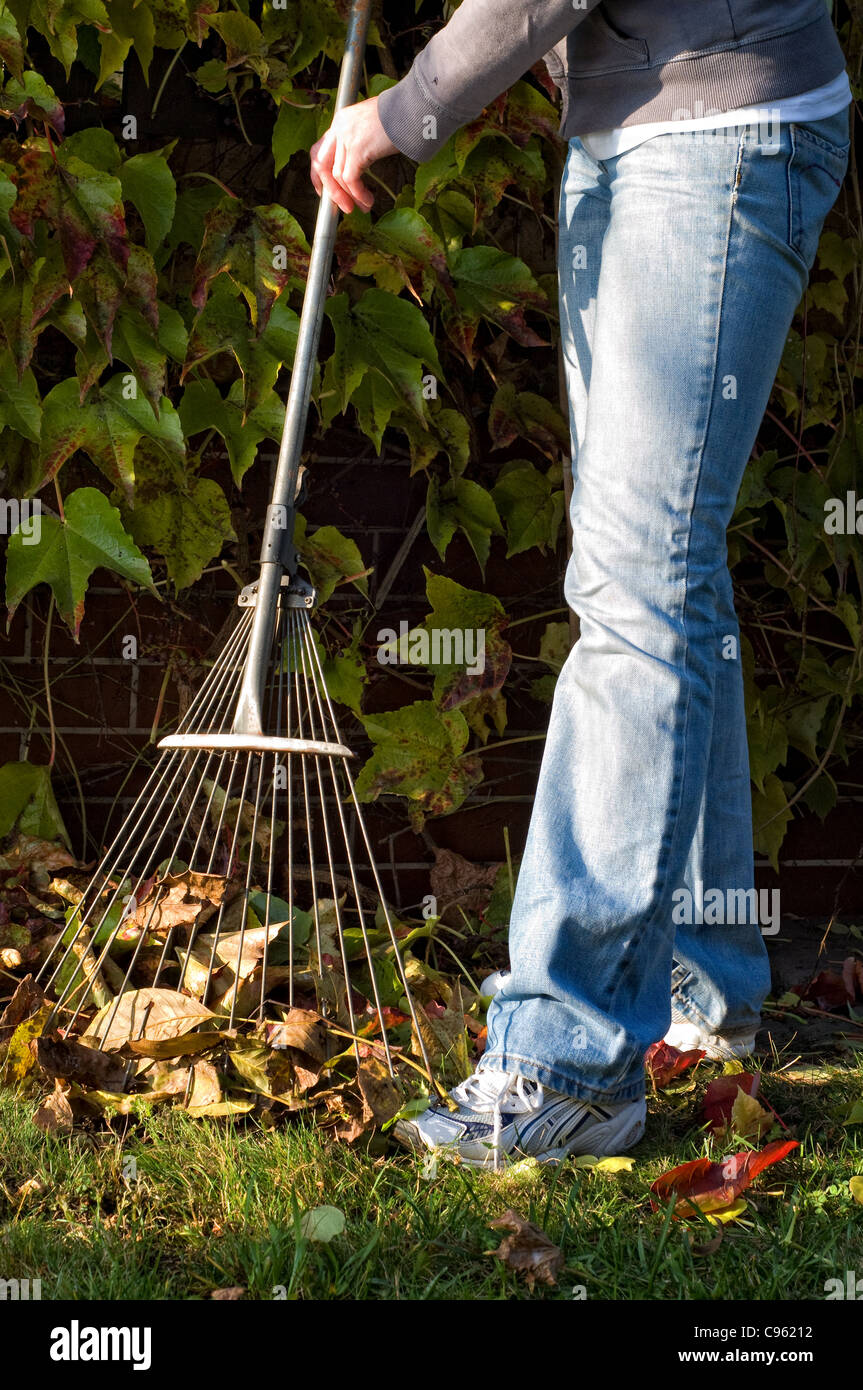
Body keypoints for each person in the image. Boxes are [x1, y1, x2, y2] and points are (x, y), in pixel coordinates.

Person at [310, 2, 852, 1169]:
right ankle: (698, 989)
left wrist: (408, 110)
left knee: (637, 592)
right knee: (661, 579)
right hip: (636, 130)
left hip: (711, 133)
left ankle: (566, 1060)